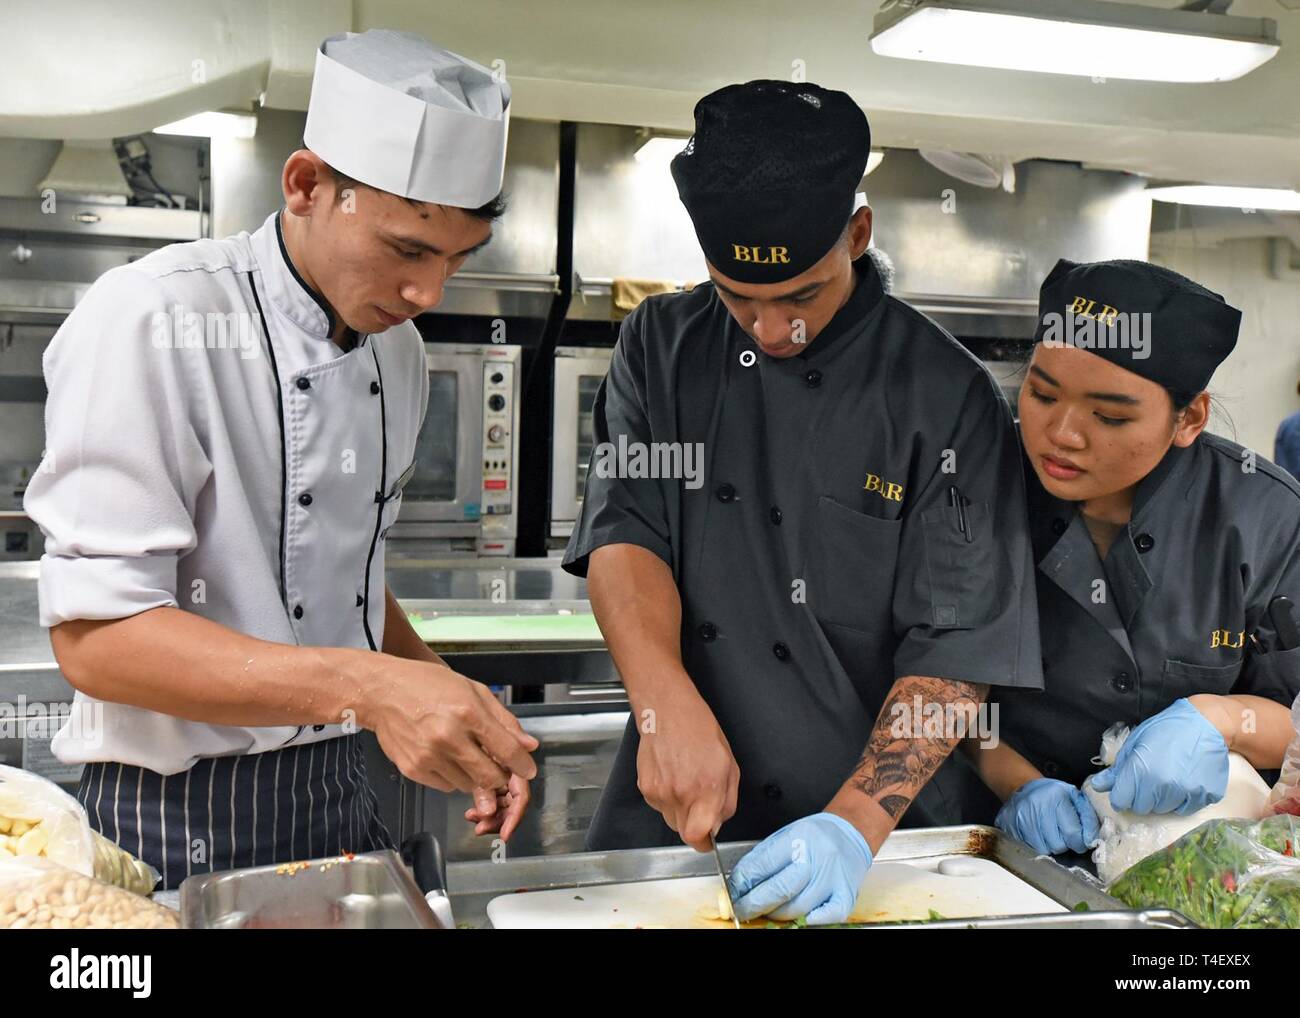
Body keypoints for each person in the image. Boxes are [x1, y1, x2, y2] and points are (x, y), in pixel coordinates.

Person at [23, 29, 537, 889]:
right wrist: (373, 691)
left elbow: (345, 583)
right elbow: (98, 639)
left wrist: (443, 695)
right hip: (168, 812)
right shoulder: (153, 319)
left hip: (338, 793)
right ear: (306, 185)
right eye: (408, 249)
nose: (429, 294)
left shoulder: (396, 353)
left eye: (457, 257)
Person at [561, 79, 1042, 924]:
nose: (768, 330)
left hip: (882, 843)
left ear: (857, 234)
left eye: (800, 297)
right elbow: (626, 529)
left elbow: (957, 650)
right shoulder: (662, 346)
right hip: (679, 827)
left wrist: (852, 828)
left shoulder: (945, 395)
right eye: (736, 297)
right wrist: (659, 699)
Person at [965, 259, 1300, 855]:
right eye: (1041, 394)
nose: (1062, 433)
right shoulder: (976, 483)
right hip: (992, 845)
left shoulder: (1264, 517)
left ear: (1188, 418)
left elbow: (1293, 720)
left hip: (1193, 858)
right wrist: (1017, 783)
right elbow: (929, 680)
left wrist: (1216, 718)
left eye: (1110, 416)